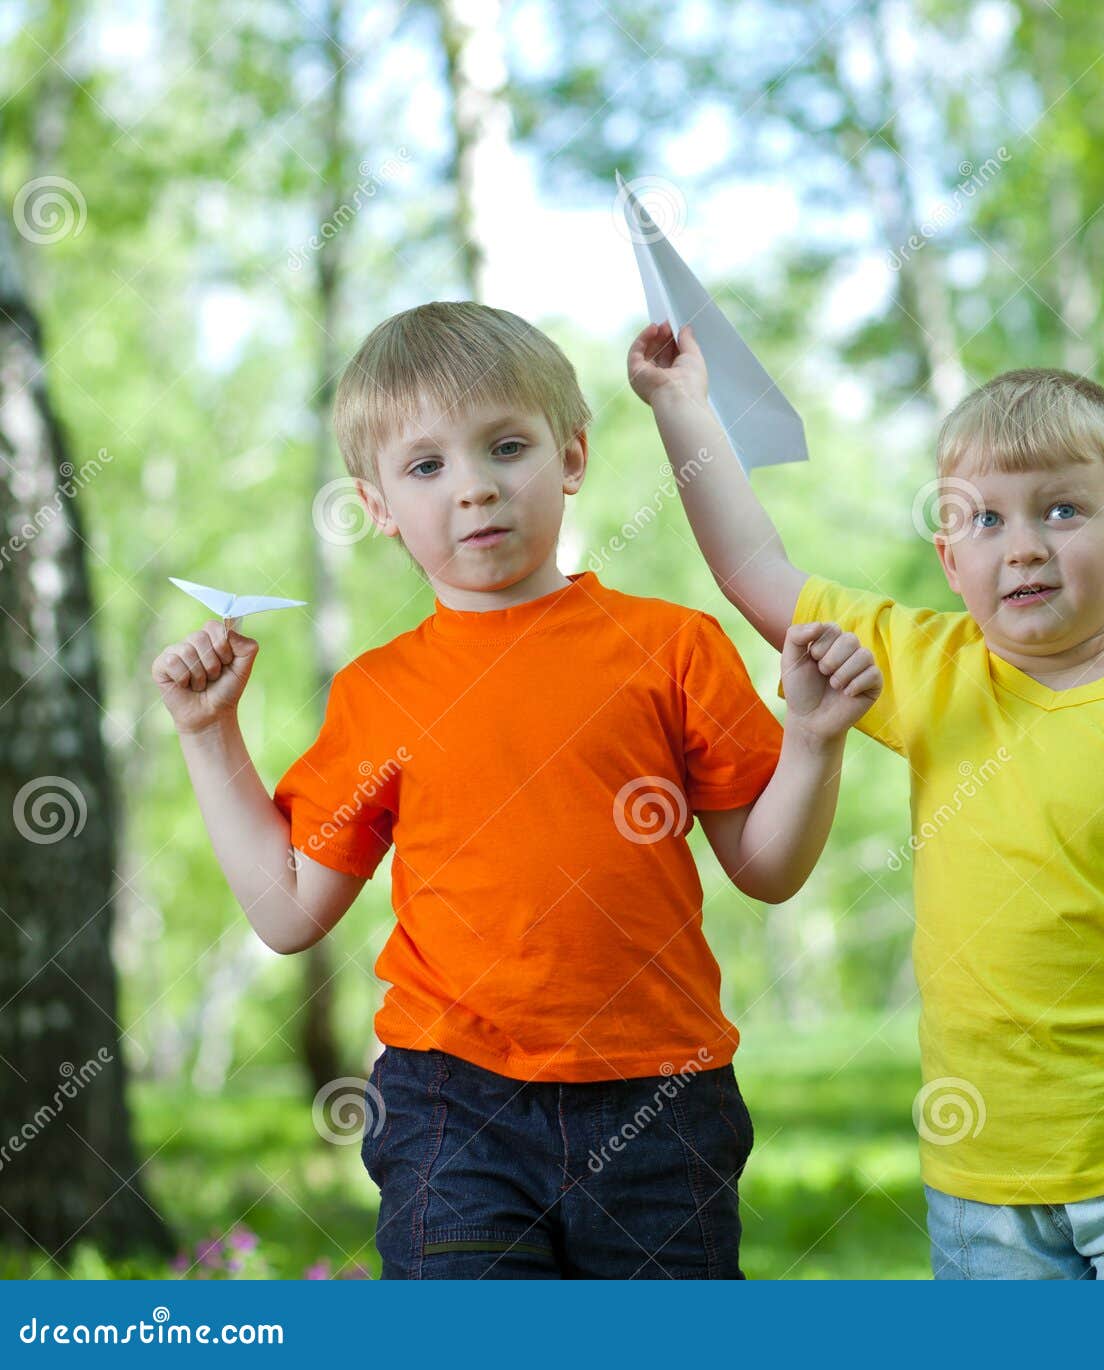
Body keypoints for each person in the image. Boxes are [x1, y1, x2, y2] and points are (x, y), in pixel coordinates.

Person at [151, 301, 882, 1279]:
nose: (475, 490)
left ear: (571, 457)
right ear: (374, 505)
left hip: (665, 1100)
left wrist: (815, 740)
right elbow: (286, 908)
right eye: (426, 466)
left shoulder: (670, 646)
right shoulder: (378, 691)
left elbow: (767, 866)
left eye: (506, 446)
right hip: (453, 1105)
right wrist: (209, 736)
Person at [627, 319, 1104, 1280]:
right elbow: (753, 571)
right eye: (985, 520)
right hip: (980, 1182)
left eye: (1061, 511)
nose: (1021, 548)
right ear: (950, 561)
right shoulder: (932, 671)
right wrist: (684, 407)